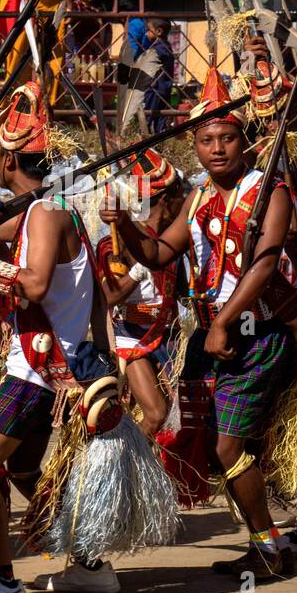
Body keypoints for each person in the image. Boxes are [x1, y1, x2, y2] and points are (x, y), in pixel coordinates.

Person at [103, 66, 297, 577]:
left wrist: (222, 322)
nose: (217, 148)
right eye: (207, 139)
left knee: (227, 445)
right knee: (204, 443)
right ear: (195, 144)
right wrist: (123, 223)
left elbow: (266, 261)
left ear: (244, 141)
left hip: (255, 333)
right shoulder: (198, 198)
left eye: (227, 137)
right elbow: (161, 253)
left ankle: (271, 549)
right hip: (212, 334)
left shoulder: (268, 190)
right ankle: (269, 539)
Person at [0, 80, 108, 593]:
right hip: (56, 368)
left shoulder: (45, 214)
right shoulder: (51, 207)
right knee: (25, 472)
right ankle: (88, 563)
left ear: (5, 156)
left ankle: (3, 587)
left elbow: (34, 284)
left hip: (36, 370)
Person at [95, 149, 184, 439]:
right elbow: (107, 297)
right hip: (132, 336)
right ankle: (126, 462)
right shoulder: (119, 242)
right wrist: (136, 273)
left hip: (169, 336)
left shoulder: (173, 242)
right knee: (157, 413)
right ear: (166, 201)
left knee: (179, 416)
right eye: (181, 195)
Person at [142, 18, 175, 133]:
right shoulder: (166, 46)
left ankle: (145, 142)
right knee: (160, 119)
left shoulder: (159, 49)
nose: (146, 33)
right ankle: (158, 143)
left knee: (147, 118)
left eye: (148, 30)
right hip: (164, 88)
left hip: (155, 89)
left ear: (159, 31)